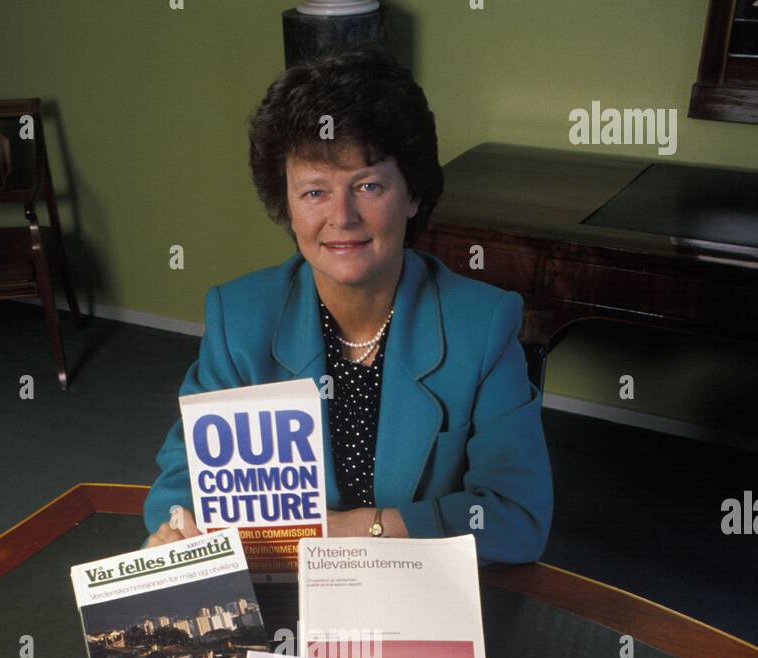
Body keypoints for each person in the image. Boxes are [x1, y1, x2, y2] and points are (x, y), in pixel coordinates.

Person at [145, 45, 552, 562]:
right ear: (286, 206)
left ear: (412, 195)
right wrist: (178, 530)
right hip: (283, 586)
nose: (342, 216)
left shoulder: (483, 325)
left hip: (421, 590)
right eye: (314, 192)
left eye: (368, 185)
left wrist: (364, 529)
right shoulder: (239, 316)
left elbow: (517, 518)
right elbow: (184, 478)